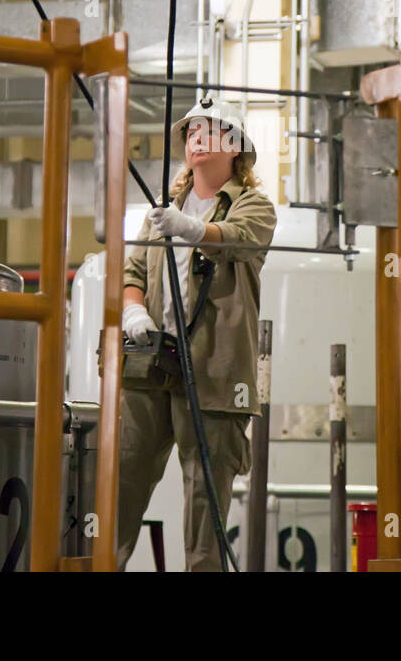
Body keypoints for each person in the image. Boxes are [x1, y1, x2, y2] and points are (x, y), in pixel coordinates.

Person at [116, 98, 276, 571]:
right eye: (191, 131)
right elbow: (133, 273)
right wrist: (132, 312)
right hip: (150, 365)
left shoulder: (255, 206)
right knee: (118, 487)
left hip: (215, 374)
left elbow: (239, 237)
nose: (197, 138)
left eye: (211, 130)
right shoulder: (159, 214)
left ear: (236, 146)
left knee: (206, 506)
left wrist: (189, 228)